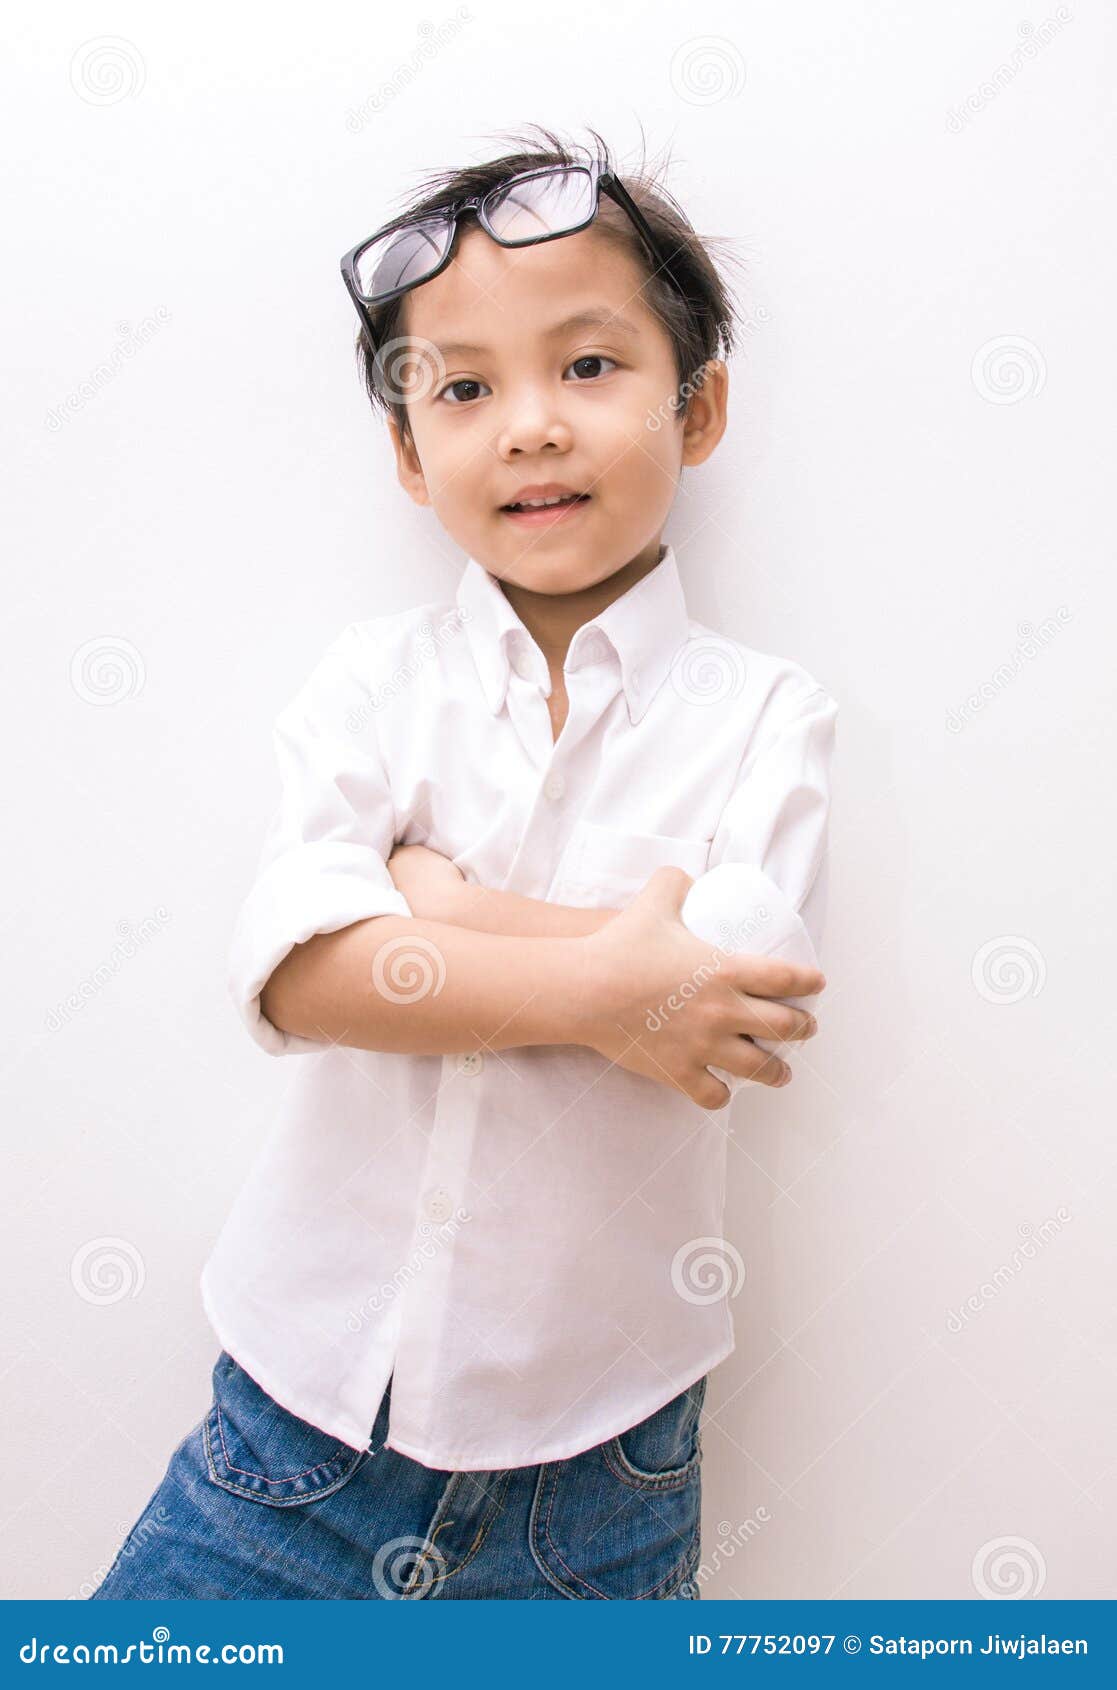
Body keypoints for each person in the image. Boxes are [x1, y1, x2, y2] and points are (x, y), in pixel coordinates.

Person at [92, 123, 836, 1601]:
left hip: (604, 1469)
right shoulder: (370, 685)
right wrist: (601, 978)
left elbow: (720, 997)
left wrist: (438, 907)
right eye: (466, 387)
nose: (531, 425)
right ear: (405, 448)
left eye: (587, 366)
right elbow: (305, 974)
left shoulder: (766, 714)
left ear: (698, 410)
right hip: (295, 1424)